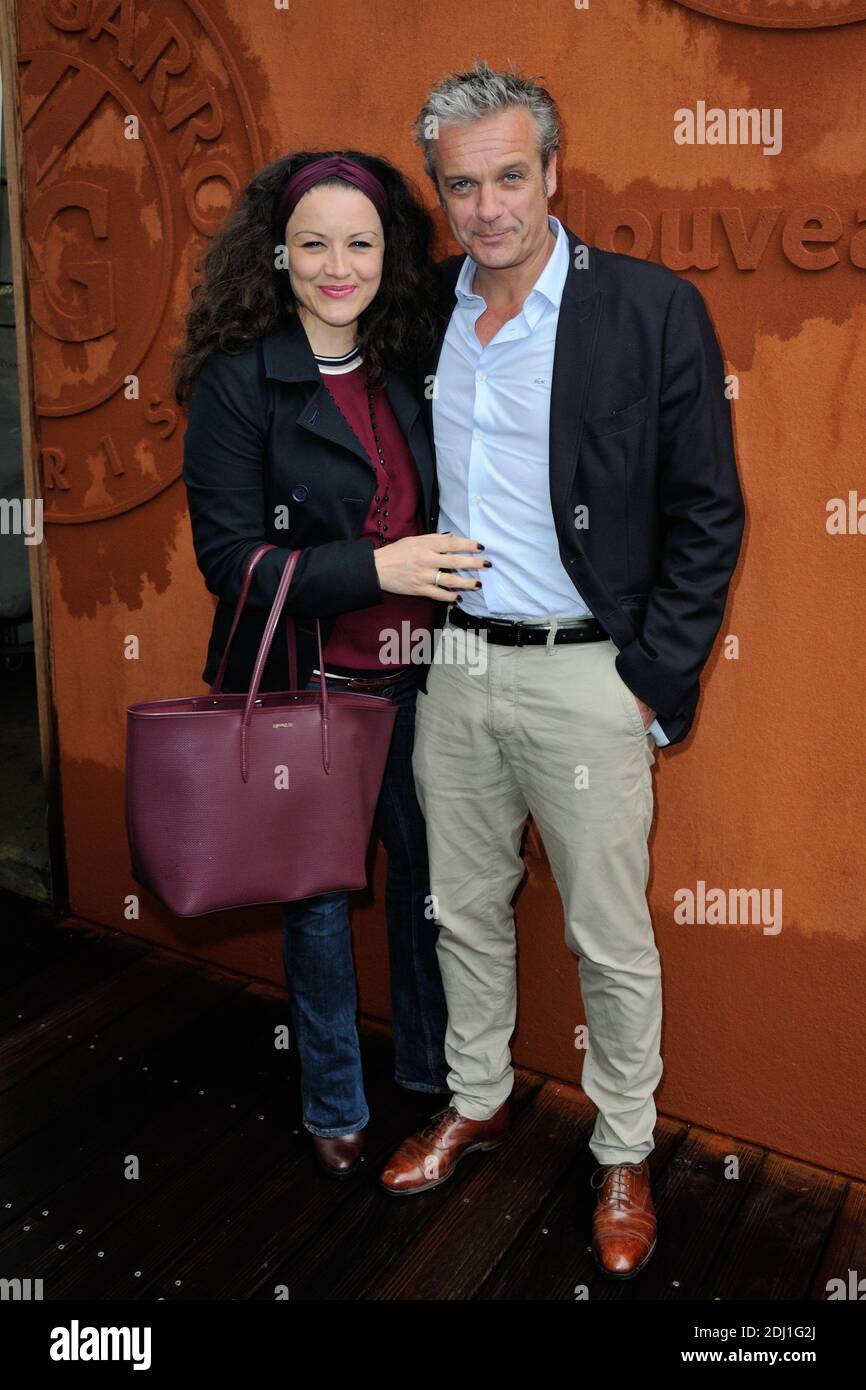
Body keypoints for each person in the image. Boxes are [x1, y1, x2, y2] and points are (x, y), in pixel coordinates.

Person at [379, 62, 745, 1280]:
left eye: (507, 177)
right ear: (439, 193)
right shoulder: (422, 311)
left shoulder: (646, 309)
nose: (486, 207)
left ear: (551, 171)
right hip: (456, 671)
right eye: (459, 185)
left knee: (606, 935)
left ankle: (624, 1149)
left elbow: (707, 512)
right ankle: (476, 1096)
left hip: (588, 681)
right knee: (462, 908)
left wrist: (648, 675)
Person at [174, 150, 486, 1177]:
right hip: (311, 685)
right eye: (313, 243)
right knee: (314, 899)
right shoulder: (237, 381)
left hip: (421, 680)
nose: (336, 264)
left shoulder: (407, 360)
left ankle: (430, 1075)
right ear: (279, 252)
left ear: (388, 252)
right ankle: (333, 1102)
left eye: (359, 241)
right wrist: (376, 564)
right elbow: (233, 560)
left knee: (425, 885)